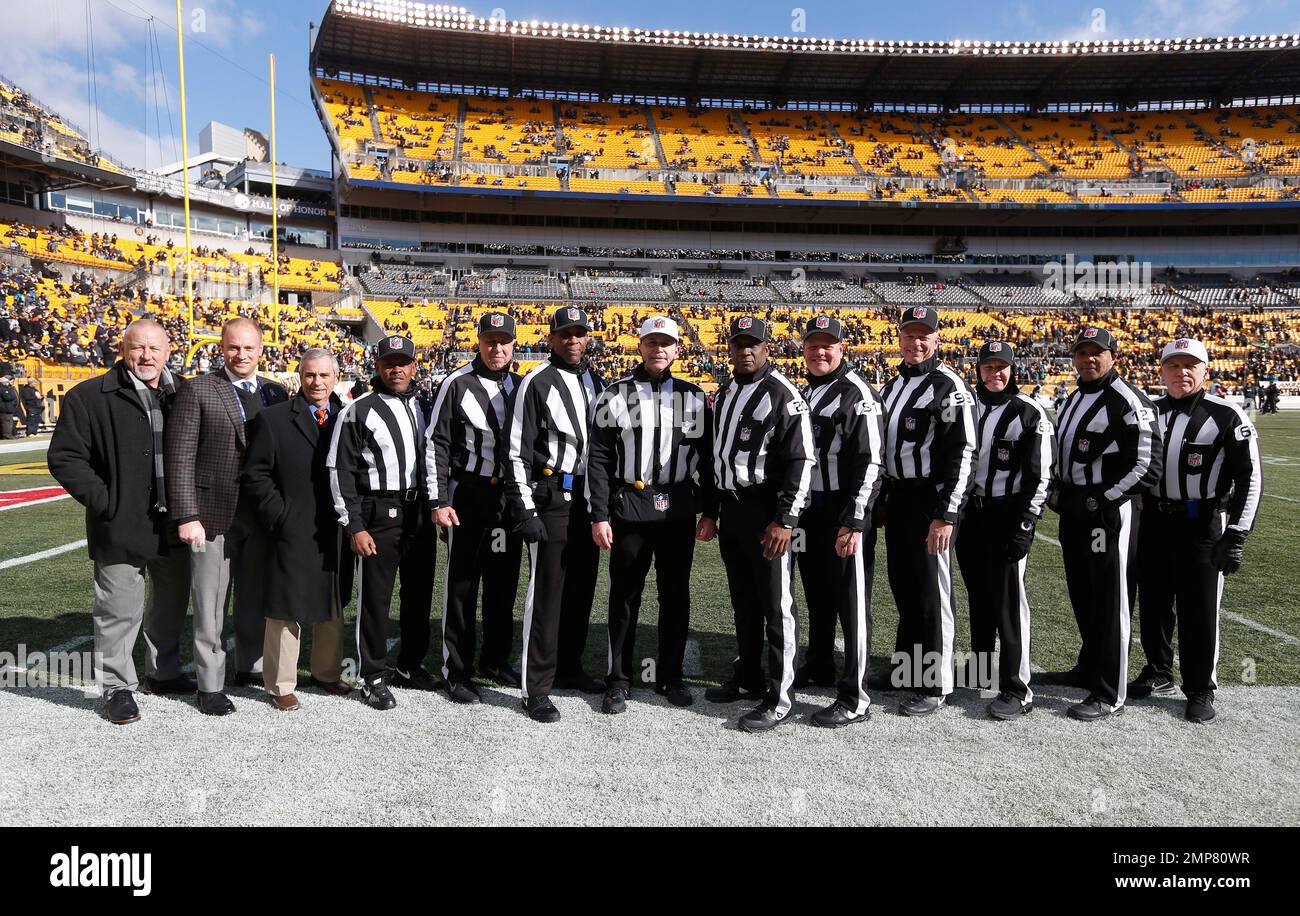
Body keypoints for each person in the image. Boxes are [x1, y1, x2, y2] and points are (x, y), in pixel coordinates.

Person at [48, 319, 193, 725]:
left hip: (175, 521)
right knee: (117, 609)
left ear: (168, 350)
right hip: (121, 522)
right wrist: (106, 502)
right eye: (137, 348)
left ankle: (162, 672)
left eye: (154, 348)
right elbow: (65, 457)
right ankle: (117, 687)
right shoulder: (90, 395)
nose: (146, 356)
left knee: (169, 604)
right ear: (123, 349)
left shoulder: (185, 391)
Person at [586, 316, 716, 715]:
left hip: (676, 508)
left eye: (666, 343)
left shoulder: (695, 396)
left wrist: (710, 510)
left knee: (675, 596)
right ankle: (619, 679)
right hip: (630, 507)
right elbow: (600, 459)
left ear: (678, 349)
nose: (658, 349)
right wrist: (600, 514)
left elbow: (709, 460)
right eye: (651, 342)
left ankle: (670, 676)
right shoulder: (614, 395)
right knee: (625, 596)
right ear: (639, 346)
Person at [1132, 338, 1262, 724]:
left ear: (1207, 371)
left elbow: (1250, 478)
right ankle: (1158, 671)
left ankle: (1201, 687)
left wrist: (1236, 534)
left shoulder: (1227, 415)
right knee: (1153, 603)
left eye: (1191, 365)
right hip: (1154, 520)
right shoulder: (1148, 411)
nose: (1181, 372)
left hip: (1201, 523)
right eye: (1174, 365)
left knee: (1199, 609)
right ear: (1161, 371)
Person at [166, 316, 289, 716]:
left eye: (249, 347)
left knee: (254, 598)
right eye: (234, 347)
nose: (241, 354)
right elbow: (180, 456)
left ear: (261, 350)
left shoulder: (274, 392)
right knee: (210, 602)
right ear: (222, 348)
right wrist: (187, 513)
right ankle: (210, 684)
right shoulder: (198, 389)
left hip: (259, 517)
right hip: (212, 514)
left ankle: (250, 666)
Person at [704, 315, 814, 733]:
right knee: (743, 601)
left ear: (767, 349)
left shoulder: (783, 394)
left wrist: (785, 519)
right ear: (729, 348)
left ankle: (780, 696)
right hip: (733, 509)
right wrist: (712, 511)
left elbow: (802, 461)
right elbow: (718, 457)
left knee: (776, 603)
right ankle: (749, 676)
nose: (746, 351)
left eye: (754, 344)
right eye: (738, 344)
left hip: (766, 511)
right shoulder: (729, 389)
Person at [1048, 326, 1163, 721]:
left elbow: (1147, 466)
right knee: (1083, 592)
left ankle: (1111, 690)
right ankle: (1090, 666)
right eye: (1081, 353)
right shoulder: (1072, 398)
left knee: (1111, 598)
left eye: (1096, 352)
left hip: (1109, 513)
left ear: (1113, 355)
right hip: (1075, 509)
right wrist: (1057, 489)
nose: (1088, 359)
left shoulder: (1129, 401)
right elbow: (1060, 455)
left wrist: (1102, 499)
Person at [504, 306, 606, 723]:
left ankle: (569, 667)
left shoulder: (594, 381)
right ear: (551, 338)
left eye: (579, 334)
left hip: (587, 499)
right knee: (546, 593)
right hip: (551, 496)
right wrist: (525, 507)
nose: (573, 340)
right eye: (565, 334)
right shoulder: (536, 382)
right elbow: (516, 450)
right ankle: (537, 687)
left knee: (581, 589)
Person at [328, 335, 438, 710]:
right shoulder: (358, 410)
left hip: (418, 510)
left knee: (419, 593)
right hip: (379, 512)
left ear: (413, 365)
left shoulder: (422, 405)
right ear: (377, 366)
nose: (396, 369)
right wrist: (354, 525)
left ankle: (410, 664)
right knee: (376, 598)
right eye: (389, 362)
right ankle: (371, 675)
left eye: (403, 362)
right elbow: (339, 470)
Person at [241, 348, 354, 711]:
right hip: (292, 527)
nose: (317, 382)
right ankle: (281, 683)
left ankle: (326, 671)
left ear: (336, 377)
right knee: (284, 607)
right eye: (310, 375)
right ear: (299, 377)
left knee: (333, 602)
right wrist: (280, 515)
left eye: (324, 375)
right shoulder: (272, 419)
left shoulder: (348, 419)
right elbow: (255, 475)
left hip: (335, 529)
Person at [878, 305, 977, 717]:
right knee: (905, 586)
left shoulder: (948, 387)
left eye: (925, 336)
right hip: (899, 498)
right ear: (898, 338)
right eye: (909, 335)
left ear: (938, 339)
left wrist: (946, 514)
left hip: (930, 501)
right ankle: (908, 670)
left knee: (933, 592)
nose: (916, 342)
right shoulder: (893, 384)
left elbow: (963, 451)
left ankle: (936, 684)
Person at [425, 312, 524, 703]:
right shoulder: (456, 383)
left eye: (504, 341)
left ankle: (495, 660)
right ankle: (458, 671)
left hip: (507, 500)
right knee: (463, 585)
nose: (497, 348)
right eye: (490, 341)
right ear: (478, 342)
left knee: (503, 585)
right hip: (468, 496)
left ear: (515, 345)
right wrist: (439, 500)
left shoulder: (521, 385)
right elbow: (436, 443)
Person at [793, 315, 886, 728]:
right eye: (813, 345)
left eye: (828, 345)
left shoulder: (857, 394)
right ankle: (818, 664)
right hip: (811, 509)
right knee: (817, 593)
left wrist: (854, 519)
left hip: (842, 510)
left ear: (843, 349)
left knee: (851, 601)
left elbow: (871, 463)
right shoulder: (808, 393)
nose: (820, 351)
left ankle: (855, 695)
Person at [953, 342, 1054, 720]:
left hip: (1006, 513)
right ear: (977, 369)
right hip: (972, 514)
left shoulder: (1029, 412)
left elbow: (1040, 475)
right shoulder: (966, 406)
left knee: (1010, 602)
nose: (995, 373)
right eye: (988, 366)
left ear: (1014, 370)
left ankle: (1018, 686)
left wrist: (1026, 524)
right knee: (979, 595)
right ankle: (981, 667)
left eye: (1002, 367)